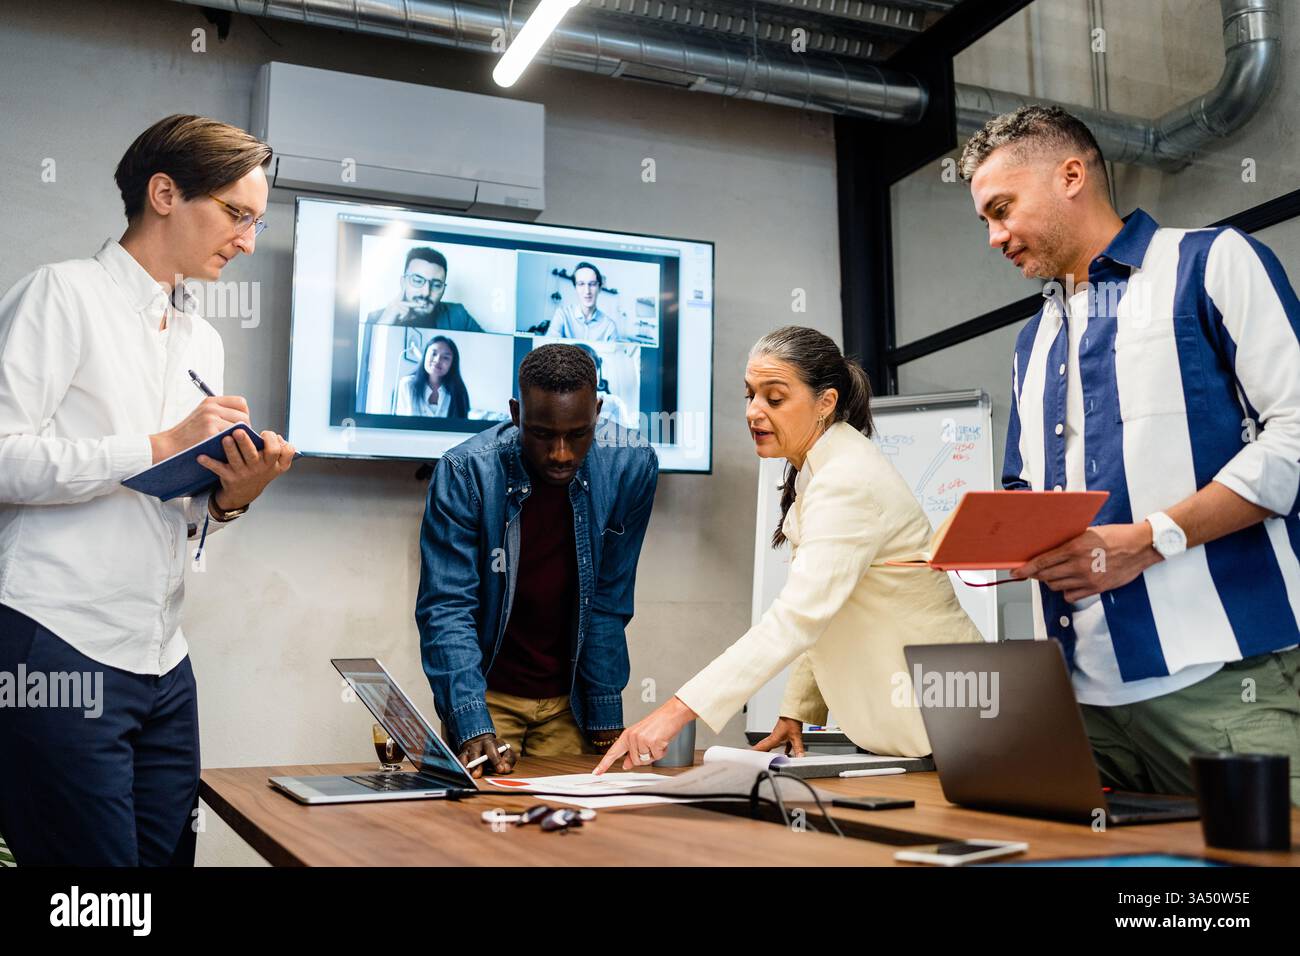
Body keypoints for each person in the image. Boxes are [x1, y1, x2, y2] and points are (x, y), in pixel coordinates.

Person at [960, 104, 1300, 804]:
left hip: (1224, 689)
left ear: (1072, 175)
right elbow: (1026, 491)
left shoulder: (1210, 262)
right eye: (985, 221)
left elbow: (1295, 436)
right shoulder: (1035, 339)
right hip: (1083, 706)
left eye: (1002, 209)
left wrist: (1149, 540)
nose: (995, 238)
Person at [0, 114, 296, 865]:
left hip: (163, 656)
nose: (248, 241)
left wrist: (232, 495)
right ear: (164, 192)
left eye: (256, 222)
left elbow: (174, 504)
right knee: (95, 899)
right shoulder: (59, 295)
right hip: (56, 644)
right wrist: (159, 445)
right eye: (236, 214)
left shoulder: (202, 338)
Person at [594, 326, 984, 773]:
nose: (753, 412)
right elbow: (828, 606)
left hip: (946, 726)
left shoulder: (845, 480)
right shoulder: (820, 469)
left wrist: (673, 713)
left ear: (826, 403)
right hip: (925, 731)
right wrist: (797, 707)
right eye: (750, 396)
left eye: (774, 399)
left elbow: (797, 619)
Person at [416, 344, 658, 775]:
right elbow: (447, 607)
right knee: (478, 830)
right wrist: (470, 720)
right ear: (515, 413)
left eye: (578, 433)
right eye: (543, 434)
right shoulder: (465, 472)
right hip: (488, 697)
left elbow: (607, 601)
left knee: (574, 831)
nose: (561, 453)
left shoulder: (632, 465)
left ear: (598, 411)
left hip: (572, 702)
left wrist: (605, 720)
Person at [366, 246, 484, 332]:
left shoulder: (458, 314)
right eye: (418, 281)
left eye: (436, 285)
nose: (426, 292)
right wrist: (384, 324)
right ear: (403, 283)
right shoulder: (377, 319)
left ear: (443, 289)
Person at [393, 336, 470, 418]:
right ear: (425, 355)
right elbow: (400, 423)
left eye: (446, 357)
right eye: (434, 354)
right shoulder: (407, 384)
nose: (437, 360)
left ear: (452, 364)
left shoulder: (458, 391)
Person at [546, 261, 618, 341]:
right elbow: (549, 348)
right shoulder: (562, 315)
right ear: (575, 288)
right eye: (581, 284)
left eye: (592, 284)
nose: (587, 291)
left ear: (600, 288)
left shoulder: (609, 326)